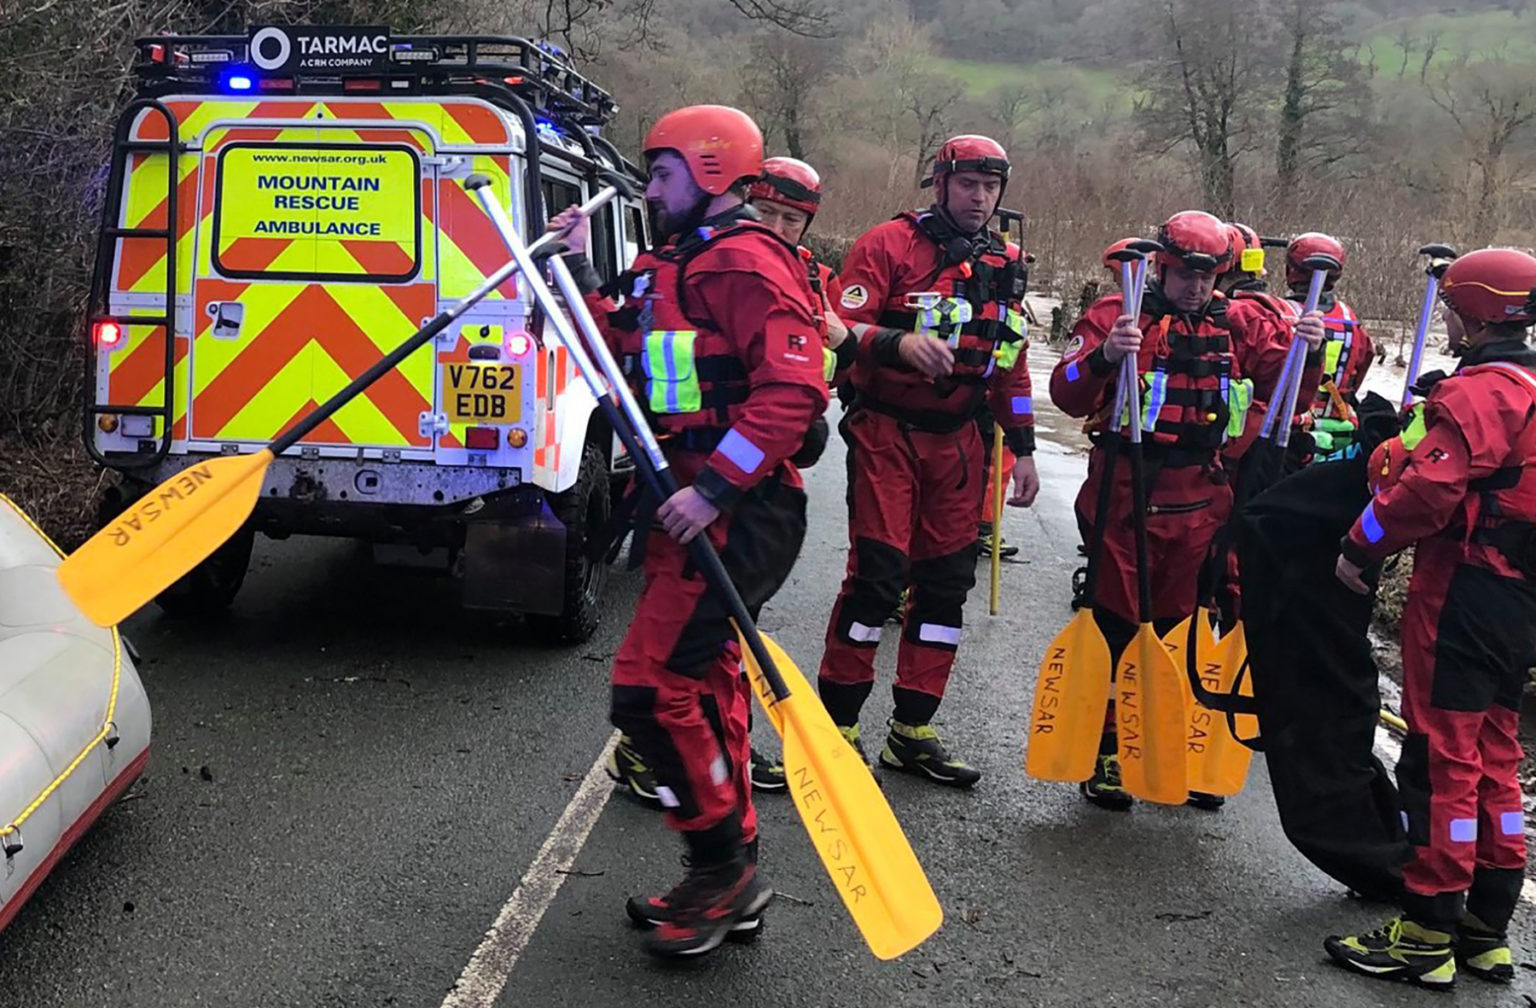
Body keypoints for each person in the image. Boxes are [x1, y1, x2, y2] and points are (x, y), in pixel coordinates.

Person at [550, 104, 828, 958]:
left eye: (663, 172)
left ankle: (720, 867)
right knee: (703, 684)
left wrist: (711, 490)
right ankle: (730, 866)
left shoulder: (744, 261)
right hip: (688, 501)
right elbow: (621, 351)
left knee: (647, 688)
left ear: (711, 174)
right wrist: (574, 276)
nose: (649, 187)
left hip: (740, 510)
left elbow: (794, 393)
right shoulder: (673, 263)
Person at [1049, 210, 1325, 811]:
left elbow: (1289, 395)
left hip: (1201, 493)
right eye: (1185, 275)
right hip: (1123, 488)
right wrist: (1102, 359)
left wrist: (1310, 352)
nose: (1197, 287)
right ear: (1163, 267)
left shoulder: (1239, 326)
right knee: (1120, 623)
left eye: (1208, 276)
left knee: (1179, 628)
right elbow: (1066, 395)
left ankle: (1160, 744)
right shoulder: (1118, 315)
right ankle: (1106, 751)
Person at [1325, 247, 1536, 989]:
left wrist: (1359, 546)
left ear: (1474, 314)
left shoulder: (1480, 397)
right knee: (1495, 756)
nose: (1444, 316)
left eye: (1452, 307)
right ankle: (1487, 923)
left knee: (1440, 758)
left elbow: (1424, 496)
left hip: (1463, 597)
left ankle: (1424, 932)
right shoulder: (1522, 388)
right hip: (1519, 606)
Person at [817, 134, 1040, 788]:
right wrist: (895, 345)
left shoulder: (1007, 263)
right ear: (940, 184)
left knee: (945, 586)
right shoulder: (886, 246)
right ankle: (838, 725)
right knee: (878, 577)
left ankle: (912, 731)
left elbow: (1011, 365)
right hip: (888, 429)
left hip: (961, 441)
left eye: (990, 186)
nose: (979, 197)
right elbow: (833, 333)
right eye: (968, 183)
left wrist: (1023, 449)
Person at [737, 155, 853, 793]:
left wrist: (847, 343)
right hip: (725, 463)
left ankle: (715, 740)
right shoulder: (723, 268)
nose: (778, 228)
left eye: (792, 219)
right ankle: (671, 750)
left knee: (739, 615)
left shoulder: (813, 279)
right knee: (717, 618)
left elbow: (830, 355)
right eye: (766, 212)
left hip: (776, 464)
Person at [1284, 232, 1374, 461]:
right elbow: (1361, 369)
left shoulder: (1282, 315)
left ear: (1291, 270)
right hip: (1338, 428)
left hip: (1294, 428)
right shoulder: (1351, 320)